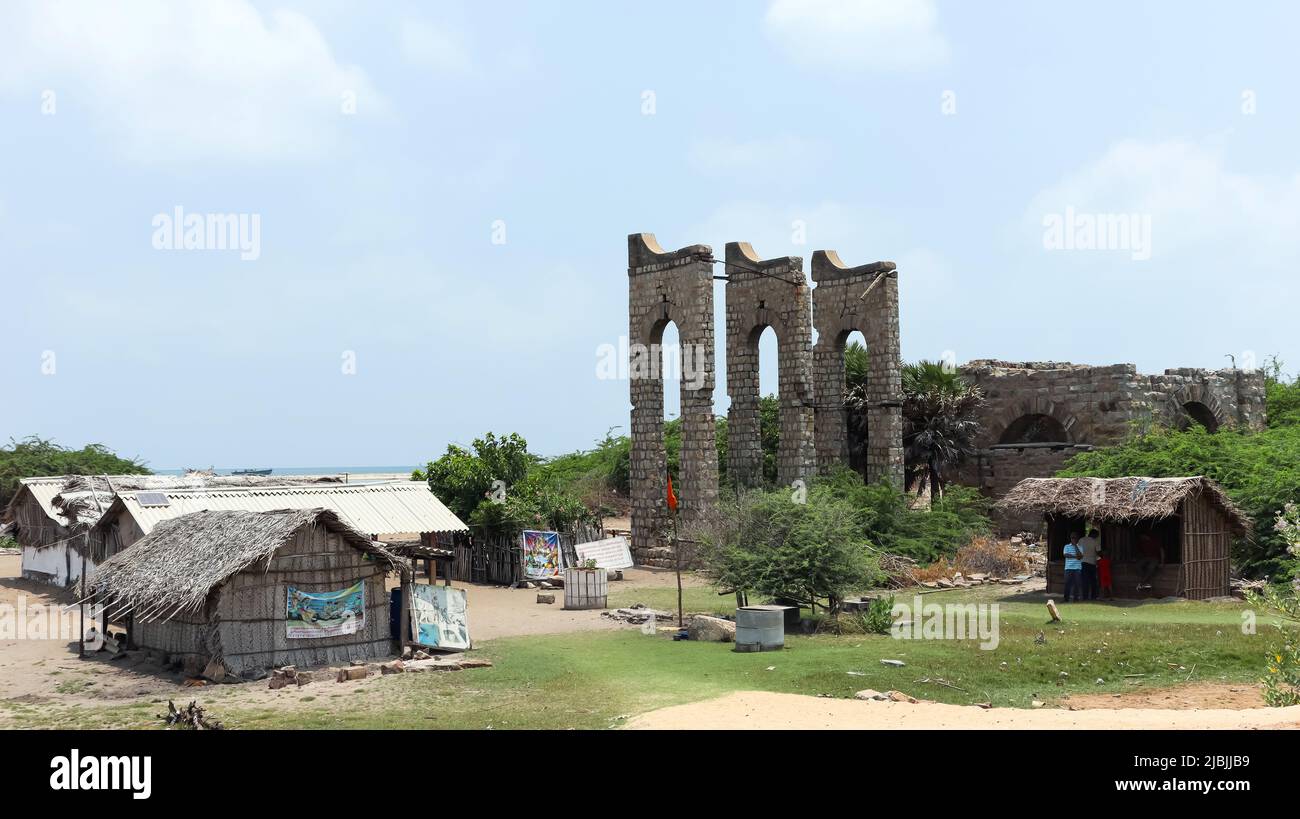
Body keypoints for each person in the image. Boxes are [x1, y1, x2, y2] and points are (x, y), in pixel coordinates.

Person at [1078, 527, 1101, 600]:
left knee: (1085, 581)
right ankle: (1093, 596)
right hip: (1092, 563)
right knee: (1093, 580)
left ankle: (1085, 596)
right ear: (1094, 535)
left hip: (1083, 562)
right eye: (1097, 536)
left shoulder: (1081, 540)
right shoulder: (1095, 541)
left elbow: (1078, 550)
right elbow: (1098, 552)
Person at [1062, 531, 1084, 603]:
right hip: (1068, 568)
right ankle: (1066, 599)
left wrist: (1075, 546)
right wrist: (1075, 556)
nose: (1073, 539)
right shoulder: (1066, 546)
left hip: (1077, 568)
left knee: (1077, 584)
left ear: (1077, 539)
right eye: (1072, 538)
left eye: (1074, 538)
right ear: (1070, 538)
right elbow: (1066, 555)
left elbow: (1080, 556)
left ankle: (1076, 599)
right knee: (1067, 584)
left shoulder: (1080, 547)